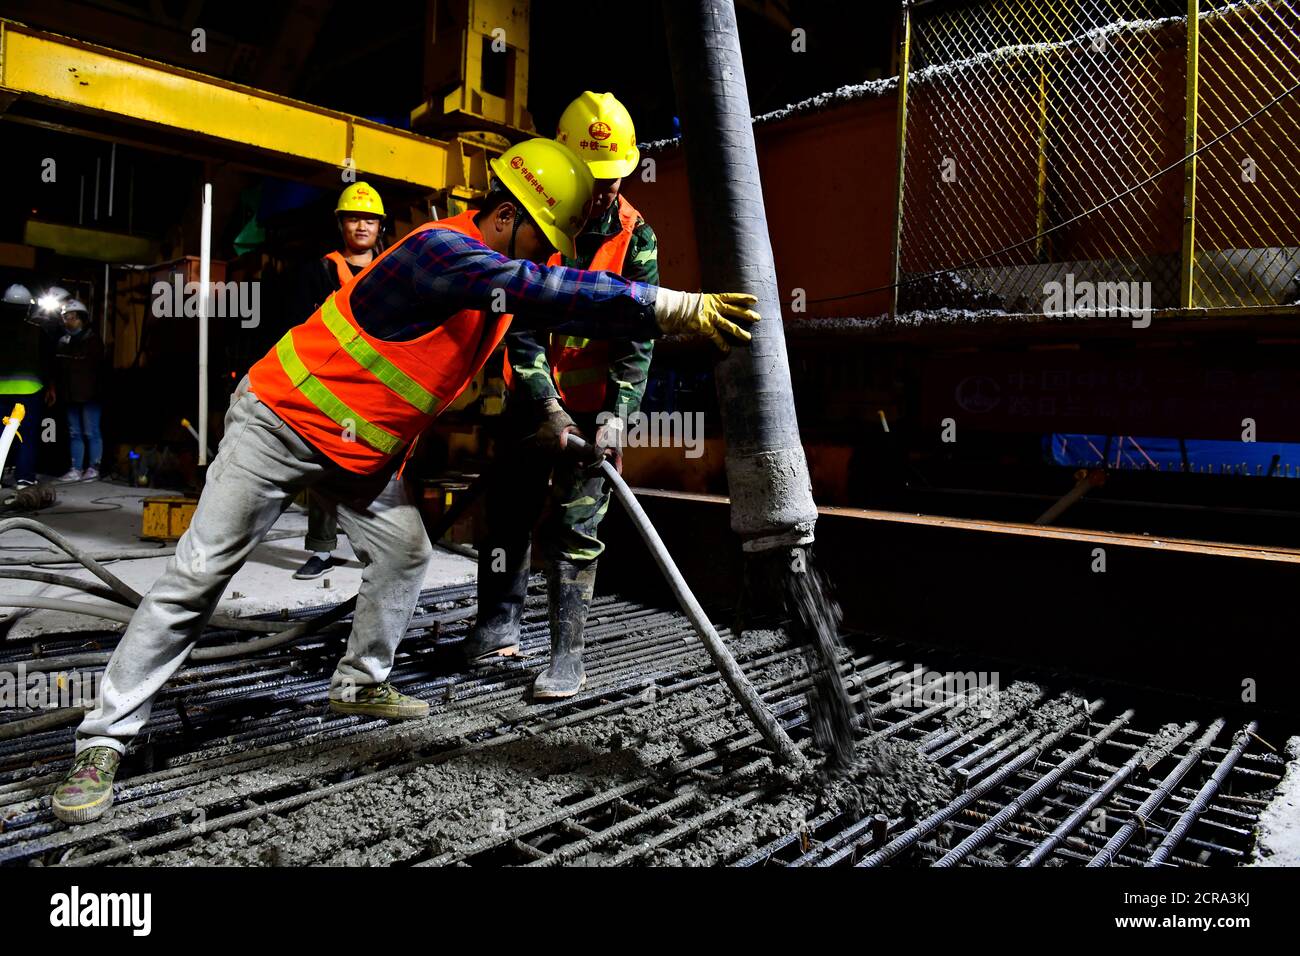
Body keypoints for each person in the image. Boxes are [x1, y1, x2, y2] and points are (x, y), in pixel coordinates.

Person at [51, 136, 760, 824]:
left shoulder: (487, 268)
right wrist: (670, 304)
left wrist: (546, 406)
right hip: (282, 423)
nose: (545, 254)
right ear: (505, 214)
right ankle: (103, 741)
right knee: (197, 578)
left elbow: (530, 308)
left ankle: (360, 684)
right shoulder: (441, 250)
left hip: (361, 455)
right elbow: (536, 287)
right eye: (540, 239)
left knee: (406, 553)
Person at [465, 92, 658, 699]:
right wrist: (545, 406)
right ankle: (497, 625)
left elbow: (639, 337)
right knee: (509, 513)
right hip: (532, 401)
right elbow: (516, 320)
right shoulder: (538, 216)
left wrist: (617, 418)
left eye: (613, 179)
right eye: (594, 179)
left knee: (577, 523)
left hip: (596, 409)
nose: (604, 192)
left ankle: (566, 656)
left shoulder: (636, 237)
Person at [291, 182, 387, 580]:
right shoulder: (321, 271)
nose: (361, 226)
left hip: (383, 381)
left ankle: (380, 548)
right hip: (334, 382)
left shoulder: (392, 266)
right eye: (353, 218)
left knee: (383, 469)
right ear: (341, 224)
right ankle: (322, 548)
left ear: (380, 226)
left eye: (369, 219)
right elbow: (304, 327)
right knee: (325, 465)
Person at [49, 299, 105, 482]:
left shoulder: (92, 340)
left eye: (71, 317)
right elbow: (58, 367)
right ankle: (76, 468)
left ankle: (94, 467)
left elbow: (93, 367)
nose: (67, 321)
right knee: (74, 432)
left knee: (91, 431)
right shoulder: (63, 341)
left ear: (81, 318)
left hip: (89, 395)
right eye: (65, 317)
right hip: (70, 394)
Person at [0, 284, 47, 488]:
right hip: (29, 390)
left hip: (1, 390)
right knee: (27, 436)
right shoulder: (38, 331)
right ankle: (24, 478)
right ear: (28, 308)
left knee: (0, 434)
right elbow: (47, 361)